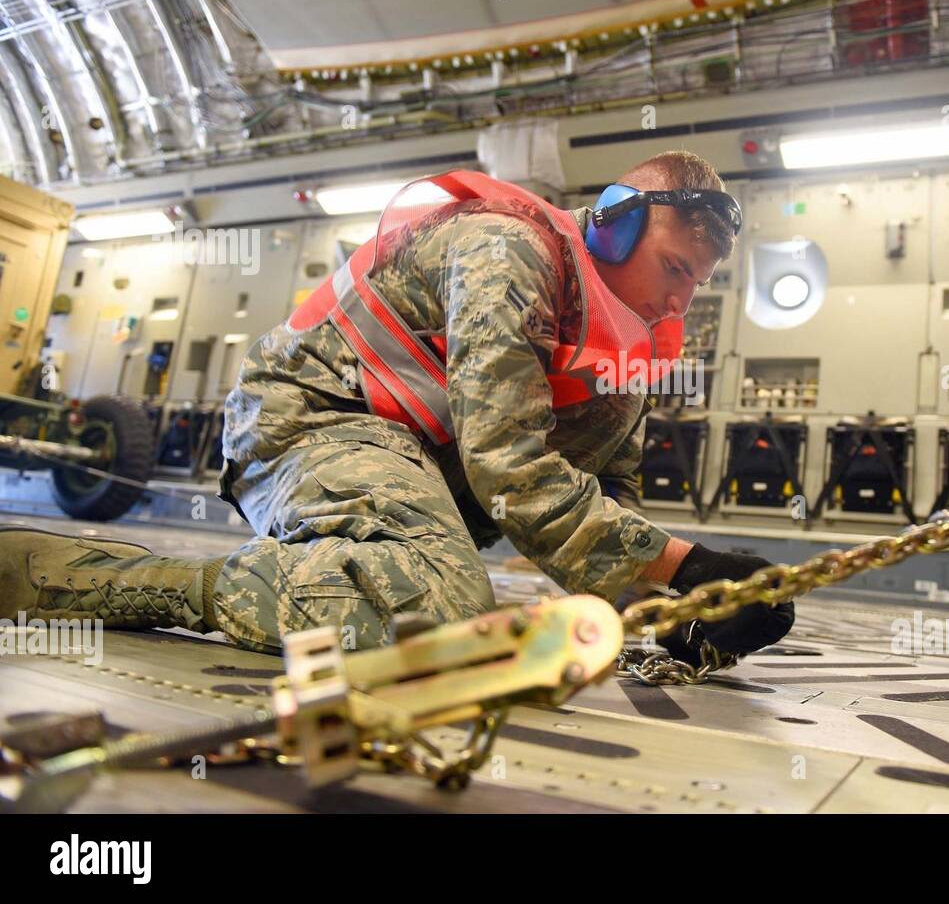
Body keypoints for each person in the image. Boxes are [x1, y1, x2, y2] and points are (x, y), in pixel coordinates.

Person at [1, 151, 794, 666]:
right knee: (437, 613)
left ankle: (355, 566)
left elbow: (604, 489)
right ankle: (82, 576)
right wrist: (691, 561)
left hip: (409, 457)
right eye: (675, 267)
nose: (680, 298)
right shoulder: (509, 253)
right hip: (308, 419)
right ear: (616, 227)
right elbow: (509, 467)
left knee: (441, 600)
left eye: (698, 283)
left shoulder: (634, 344)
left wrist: (665, 603)